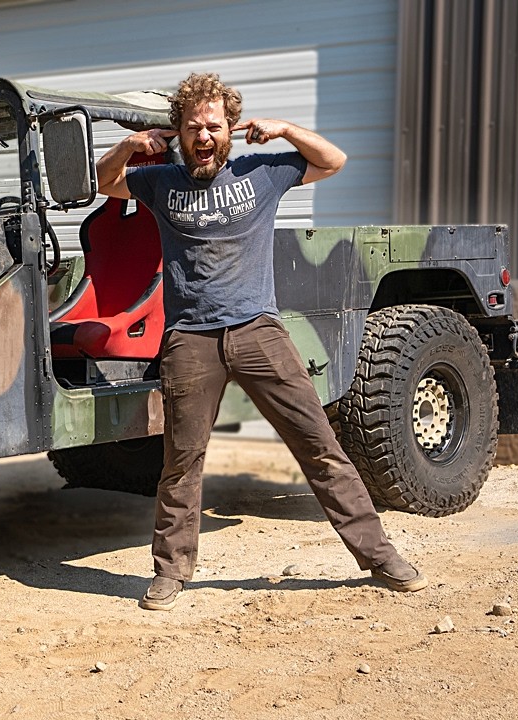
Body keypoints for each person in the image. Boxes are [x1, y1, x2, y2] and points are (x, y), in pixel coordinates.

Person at [95, 73, 427, 611]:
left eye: (214, 126)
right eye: (193, 127)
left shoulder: (262, 172)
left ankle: (379, 554)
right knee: (182, 460)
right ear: (178, 132)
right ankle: (171, 573)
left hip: (258, 331)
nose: (204, 136)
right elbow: (105, 181)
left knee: (318, 444)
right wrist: (131, 146)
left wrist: (287, 129)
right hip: (190, 340)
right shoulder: (160, 181)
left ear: (230, 129)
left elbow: (333, 160)